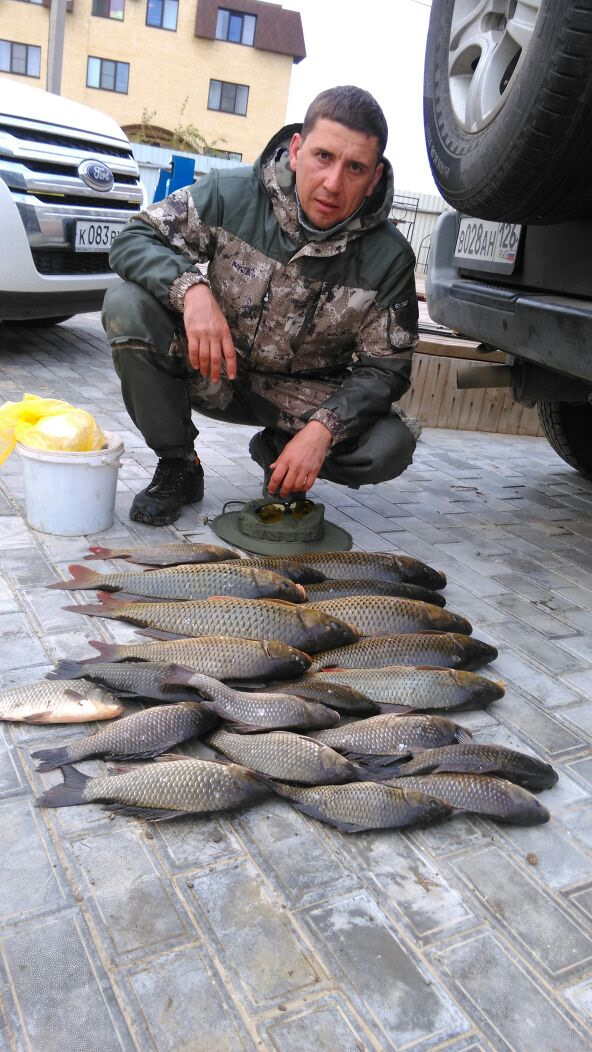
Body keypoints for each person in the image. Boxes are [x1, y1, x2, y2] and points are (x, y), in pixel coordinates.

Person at [102, 85, 419, 526]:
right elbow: (133, 238)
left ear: (374, 178)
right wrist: (191, 290)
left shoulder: (391, 258)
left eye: (355, 168)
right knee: (127, 303)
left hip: (303, 397)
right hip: (215, 367)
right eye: (323, 157)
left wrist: (322, 430)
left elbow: (386, 368)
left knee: (388, 444)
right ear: (296, 150)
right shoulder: (231, 194)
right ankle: (179, 465)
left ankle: (280, 450)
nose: (333, 183)